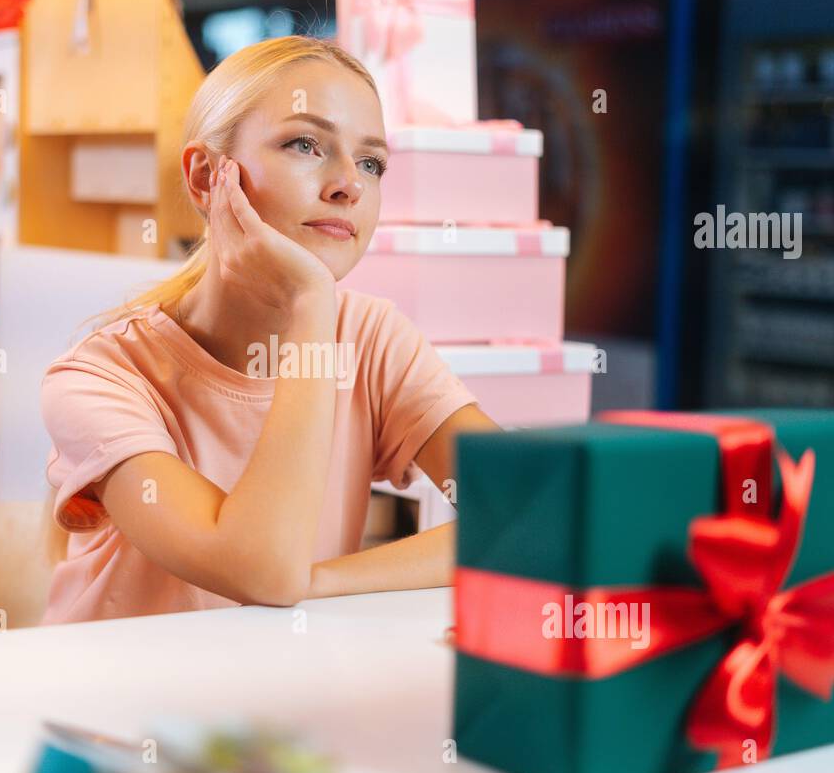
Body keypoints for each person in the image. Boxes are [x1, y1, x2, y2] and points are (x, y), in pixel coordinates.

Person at [39, 35, 499, 624]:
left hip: (282, 693)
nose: (349, 186)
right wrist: (311, 302)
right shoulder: (97, 379)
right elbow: (261, 569)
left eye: (371, 162)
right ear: (207, 177)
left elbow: (535, 520)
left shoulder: (375, 338)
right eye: (306, 144)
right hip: (119, 703)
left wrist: (321, 583)